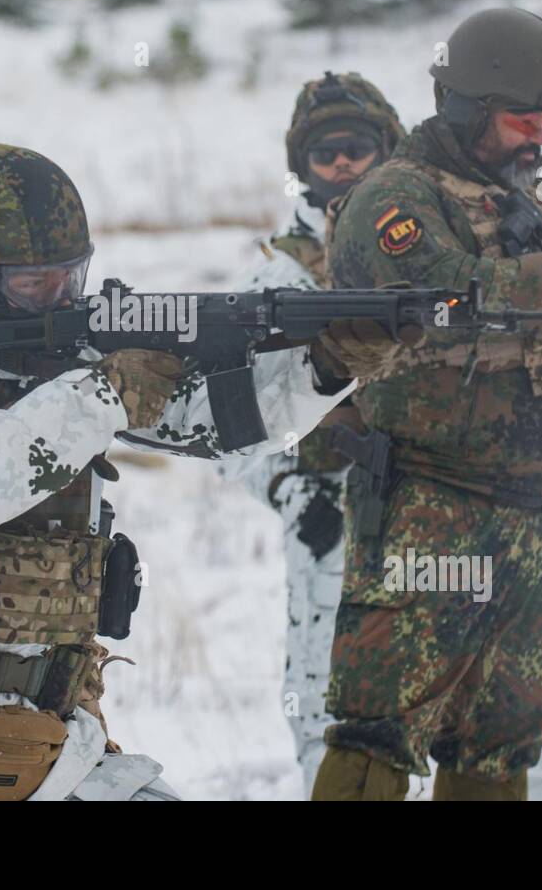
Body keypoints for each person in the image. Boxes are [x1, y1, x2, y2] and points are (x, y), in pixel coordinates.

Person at [0, 142, 400, 801]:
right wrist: (100, 396)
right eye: (34, 285)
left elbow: (222, 425)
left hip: (40, 746)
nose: (59, 300)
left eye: (70, 278)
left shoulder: (57, 351)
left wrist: (327, 368)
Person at [317, 9, 542, 801]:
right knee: (378, 736)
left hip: (541, 526)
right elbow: (451, 303)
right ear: (466, 106)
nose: (540, 134)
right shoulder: (392, 198)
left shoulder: (537, 199)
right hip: (431, 517)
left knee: (500, 743)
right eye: (525, 116)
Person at [220, 71, 403, 795]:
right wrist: (289, 490)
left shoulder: (432, 256)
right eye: (323, 154)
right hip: (330, 516)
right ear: (302, 168)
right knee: (330, 718)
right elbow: (224, 420)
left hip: (441, 506)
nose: (342, 165)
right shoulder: (277, 278)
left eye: (357, 147)